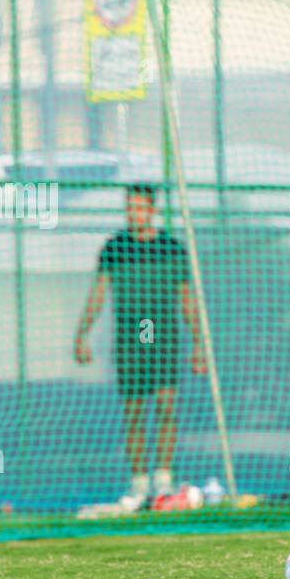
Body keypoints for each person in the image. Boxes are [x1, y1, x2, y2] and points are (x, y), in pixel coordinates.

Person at [74, 183, 206, 511]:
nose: (134, 213)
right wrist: (81, 334)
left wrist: (199, 344)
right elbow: (98, 293)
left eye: (140, 207)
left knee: (165, 406)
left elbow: (187, 298)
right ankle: (138, 486)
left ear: (152, 210)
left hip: (163, 339)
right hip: (130, 340)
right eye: (129, 207)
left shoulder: (171, 249)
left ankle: (163, 482)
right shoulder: (115, 248)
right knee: (134, 410)